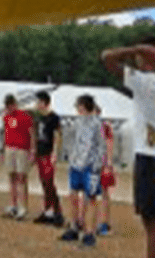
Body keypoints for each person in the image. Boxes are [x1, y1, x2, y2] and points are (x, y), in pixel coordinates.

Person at [101, 36, 155, 258]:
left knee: (152, 224)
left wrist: (134, 48)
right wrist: (152, 55)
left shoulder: (143, 82)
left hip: (149, 157)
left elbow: (106, 57)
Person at [60, 94, 105, 247]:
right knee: (73, 195)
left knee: (91, 198)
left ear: (85, 106)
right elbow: (72, 141)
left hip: (90, 166)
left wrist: (98, 165)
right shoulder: (77, 123)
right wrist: (71, 159)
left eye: (79, 105)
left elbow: (101, 146)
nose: (77, 108)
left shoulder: (97, 124)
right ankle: (74, 226)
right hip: (75, 165)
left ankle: (89, 232)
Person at [32, 90, 64, 227]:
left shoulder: (54, 118)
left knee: (49, 182)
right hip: (40, 152)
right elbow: (34, 133)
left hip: (48, 153)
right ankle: (47, 210)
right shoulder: (38, 117)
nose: (37, 104)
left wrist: (55, 153)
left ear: (45, 103)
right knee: (44, 183)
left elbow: (58, 135)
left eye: (39, 102)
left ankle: (58, 212)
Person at [1, 93, 34, 220]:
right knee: (11, 176)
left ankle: (23, 206)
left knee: (22, 177)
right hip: (10, 148)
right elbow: (5, 133)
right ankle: (13, 204)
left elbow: (31, 134)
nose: (9, 108)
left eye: (11, 105)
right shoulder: (6, 117)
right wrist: (3, 150)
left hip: (22, 149)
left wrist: (32, 150)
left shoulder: (25, 117)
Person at [96, 105, 116, 236]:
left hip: (102, 164)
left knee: (104, 193)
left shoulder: (105, 127)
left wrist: (108, 164)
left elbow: (109, 144)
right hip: (92, 163)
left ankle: (105, 222)